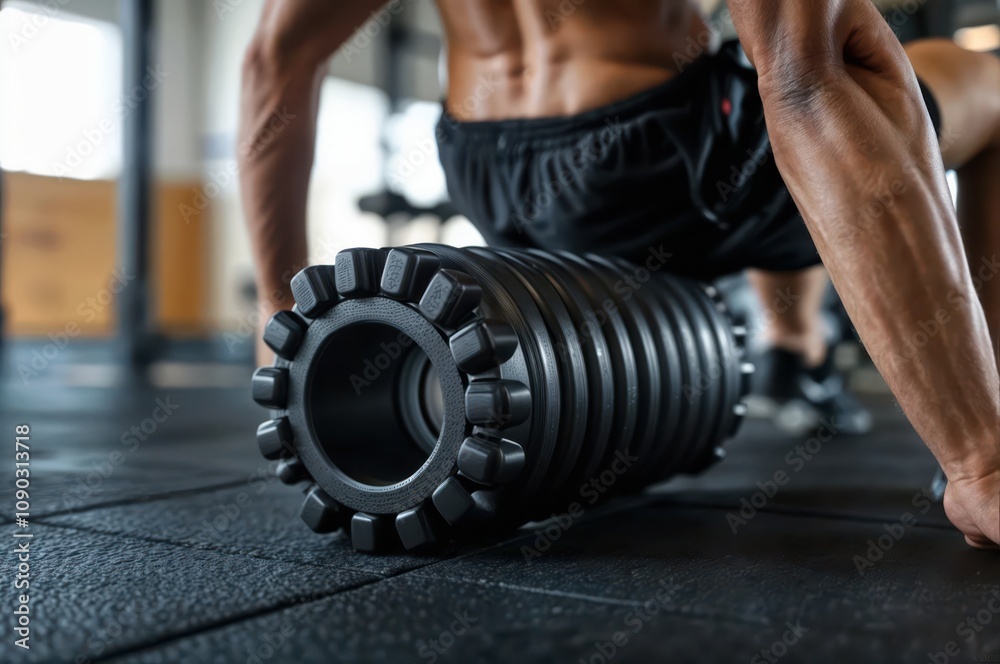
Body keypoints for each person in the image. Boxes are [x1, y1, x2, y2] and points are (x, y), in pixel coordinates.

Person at [238, 0, 1000, 549]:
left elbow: (276, 58)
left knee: (750, 89)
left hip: (486, 165)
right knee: (980, 86)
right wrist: (977, 460)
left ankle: (789, 347)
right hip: (653, 158)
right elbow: (806, 80)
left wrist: (279, 315)